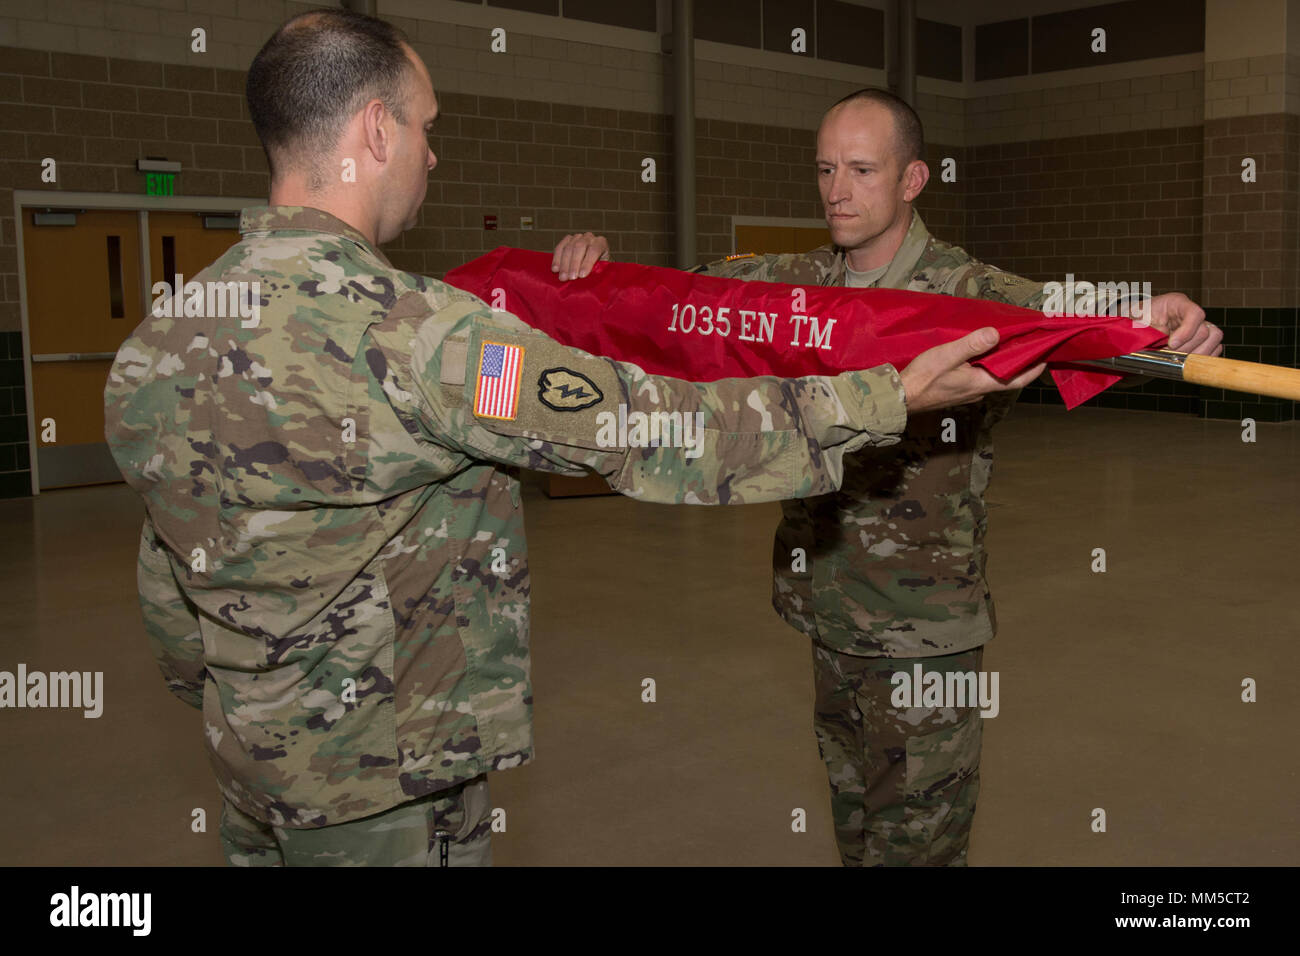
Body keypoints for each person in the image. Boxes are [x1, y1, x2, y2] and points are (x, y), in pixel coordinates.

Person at [102, 15, 1030, 868]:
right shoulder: (427, 337)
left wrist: (237, 705)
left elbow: (169, 570)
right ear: (378, 132)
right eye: (427, 128)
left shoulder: (162, 342)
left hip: (252, 770)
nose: (435, 155)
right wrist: (881, 397)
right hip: (388, 787)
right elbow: (653, 432)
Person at [552, 87, 1224, 866]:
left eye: (862, 170)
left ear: (913, 180)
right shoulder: (789, 286)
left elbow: (1071, 320)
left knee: (922, 850)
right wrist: (591, 272)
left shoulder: (970, 292)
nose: (837, 190)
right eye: (826, 168)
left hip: (927, 634)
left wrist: (1158, 318)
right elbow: (677, 306)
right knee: (856, 830)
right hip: (827, 614)